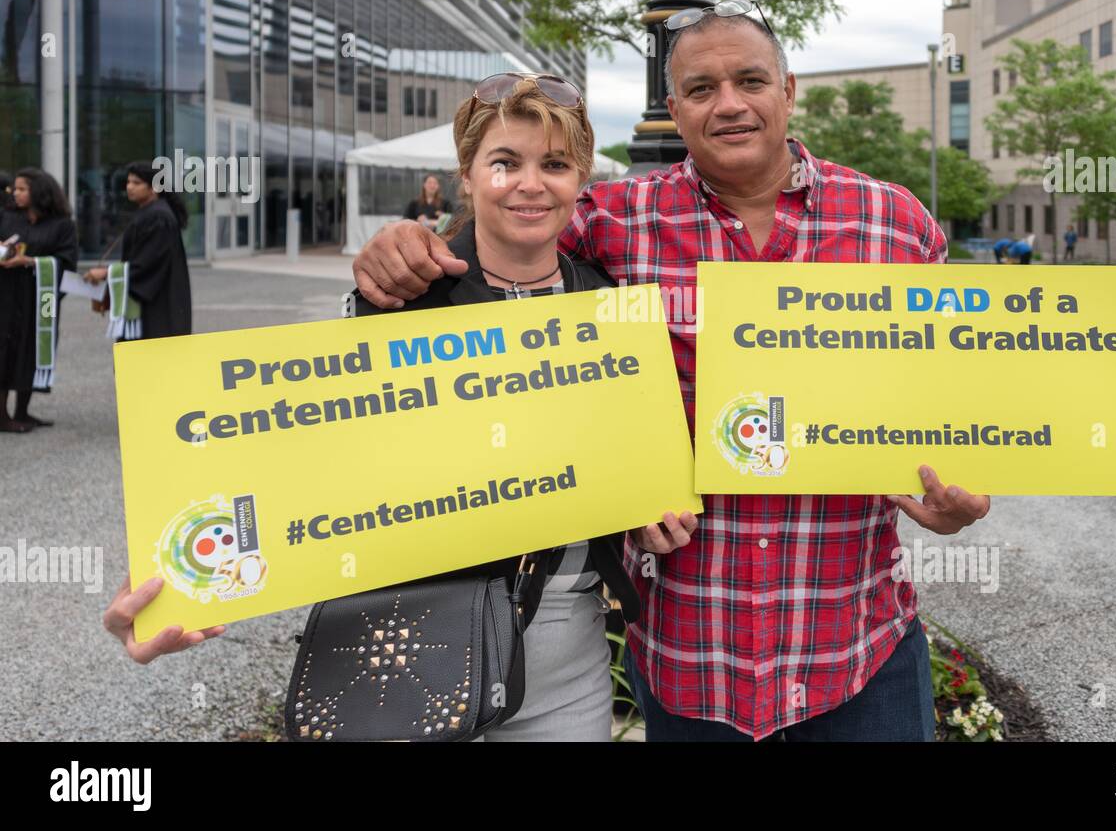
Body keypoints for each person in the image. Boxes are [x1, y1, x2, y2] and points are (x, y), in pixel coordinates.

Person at [351, 0, 992, 742]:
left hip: (856, 651)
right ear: (675, 110)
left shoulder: (897, 223)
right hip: (691, 661)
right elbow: (510, 233)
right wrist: (409, 245)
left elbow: (949, 399)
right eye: (699, 89)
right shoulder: (612, 220)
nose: (728, 104)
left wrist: (959, 490)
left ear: (788, 91)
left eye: (750, 81)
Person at [102, 74, 698, 742]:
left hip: (569, 664)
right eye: (504, 162)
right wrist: (174, 579)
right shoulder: (396, 304)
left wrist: (646, 515)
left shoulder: (611, 308)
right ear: (466, 177)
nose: (530, 183)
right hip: (406, 642)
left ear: (580, 178)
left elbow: (615, 468)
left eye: (554, 164)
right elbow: (287, 449)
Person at [0, 168, 77, 432]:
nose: (16, 193)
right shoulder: (7, 217)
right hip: (7, 298)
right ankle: (2, 415)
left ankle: (23, 411)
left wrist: (31, 261)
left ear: (40, 192)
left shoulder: (62, 225)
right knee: (5, 351)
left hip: (40, 299)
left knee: (33, 349)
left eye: (22, 189)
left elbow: (67, 261)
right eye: (15, 189)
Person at [83, 161, 192, 339]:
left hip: (156, 307)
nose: (129, 187)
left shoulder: (158, 217)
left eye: (136, 183)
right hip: (149, 305)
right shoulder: (149, 212)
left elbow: (148, 265)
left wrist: (106, 273)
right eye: (128, 182)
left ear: (154, 188)